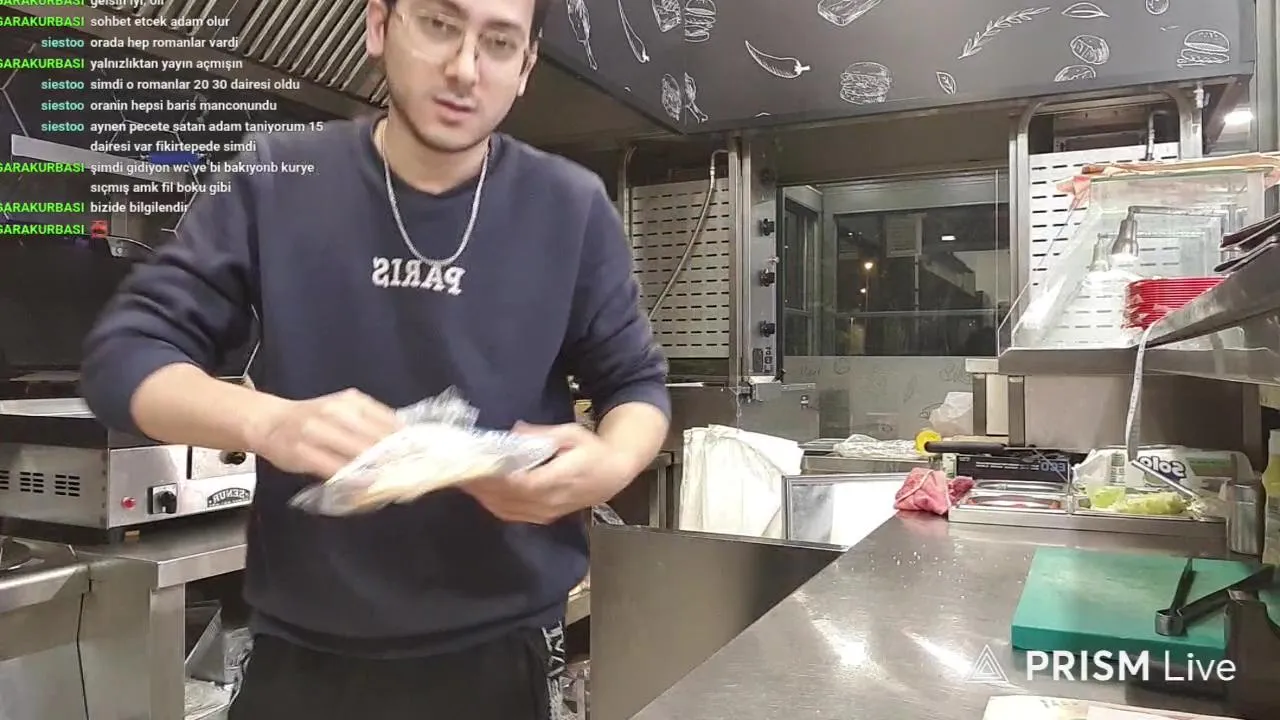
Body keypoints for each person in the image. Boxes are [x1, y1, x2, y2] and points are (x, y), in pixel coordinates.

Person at [79, 0, 671, 716]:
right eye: (440, 25)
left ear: (525, 68)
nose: (464, 69)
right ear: (379, 25)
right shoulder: (278, 177)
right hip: (301, 661)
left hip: (497, 664)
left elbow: (636, 385)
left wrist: (610, 463)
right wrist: (270, 422)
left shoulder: (570, 207)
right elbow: (124, 356)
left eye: (498, 42)